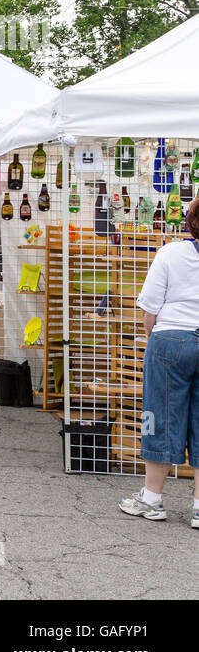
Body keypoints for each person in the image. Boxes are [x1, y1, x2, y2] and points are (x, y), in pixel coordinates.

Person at [118, 200, 199, 523]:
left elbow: (149, 310)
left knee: (158, 415)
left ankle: (152, 497)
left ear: (190, 220)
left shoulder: (170, 252)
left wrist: (157, 339)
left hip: (170, 339)